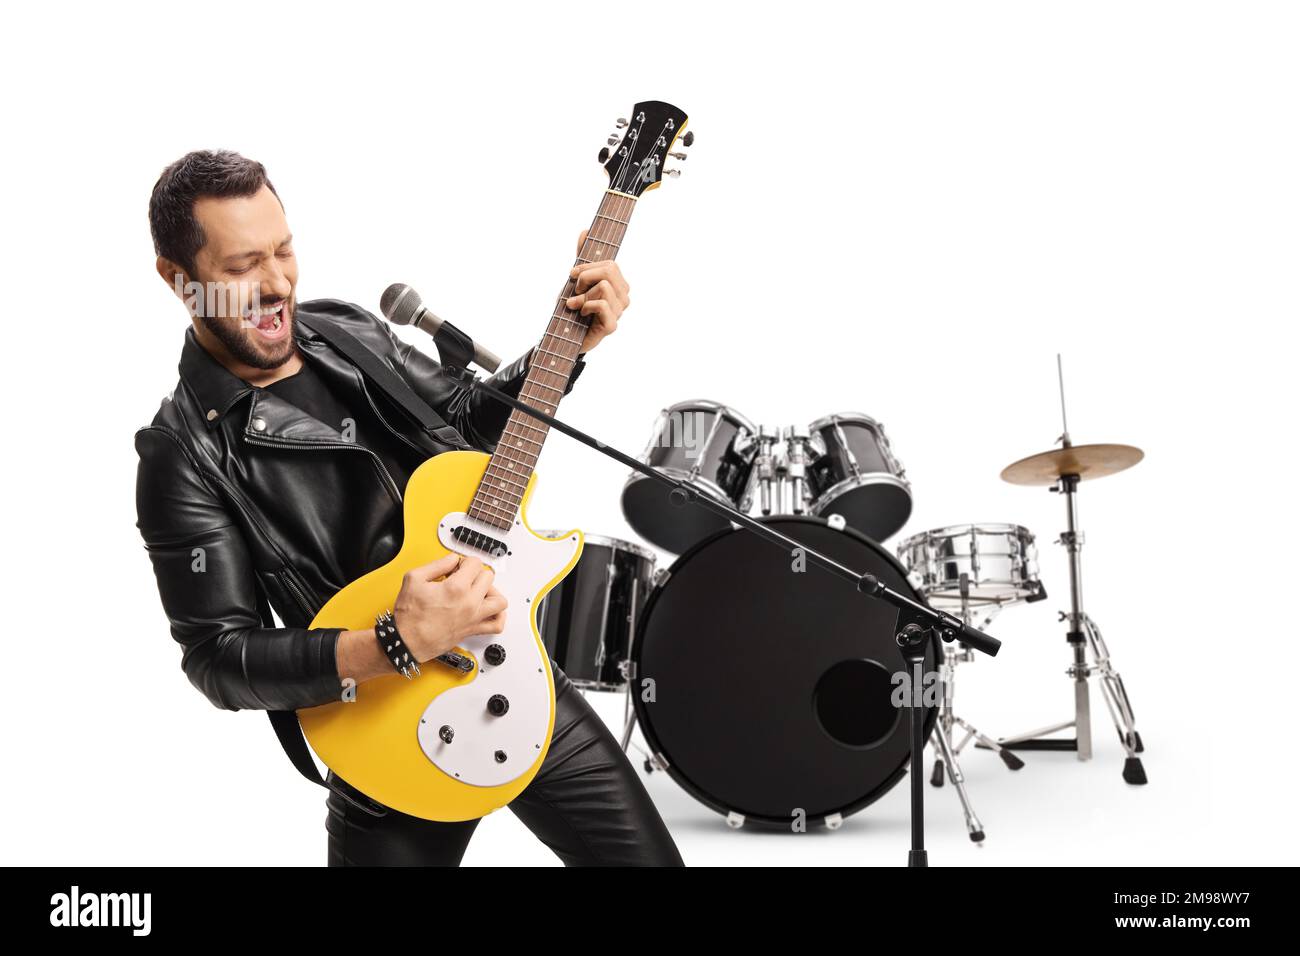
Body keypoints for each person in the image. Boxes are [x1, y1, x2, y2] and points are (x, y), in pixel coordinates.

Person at [135, 149, 684, 866]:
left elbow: (467, 424)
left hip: (516, 672)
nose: (275, 285)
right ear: (179, 280)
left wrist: (568, 339)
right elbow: (219, 658)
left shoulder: (344, 331)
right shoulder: (181, 453)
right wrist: (395, 642)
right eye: (240, 267)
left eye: (285, 251)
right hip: (386, 735)